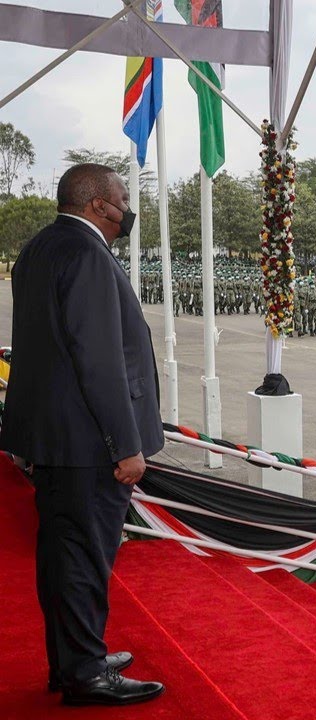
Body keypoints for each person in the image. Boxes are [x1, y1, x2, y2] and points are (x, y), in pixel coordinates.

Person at [0, 163, 165, 705]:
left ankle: (74, 659)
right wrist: (127, 445)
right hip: (90, 443)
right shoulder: (88, 255)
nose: (127, 206)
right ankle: (87, 674)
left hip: (53, 437)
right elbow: (100, 362)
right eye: (122, 196)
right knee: (84, 559)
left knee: (63, 554)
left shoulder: (39, 248)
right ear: (98, 204)